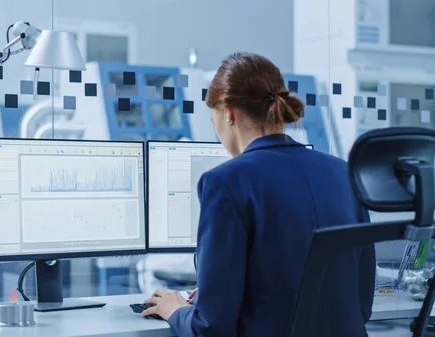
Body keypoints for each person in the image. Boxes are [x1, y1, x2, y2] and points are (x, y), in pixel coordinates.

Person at [141, 52, 375, 337]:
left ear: (228, 112)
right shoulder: (345, 174)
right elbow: (361, 304)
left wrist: (175, 310)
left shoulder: (225, 182)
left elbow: (210, 329)